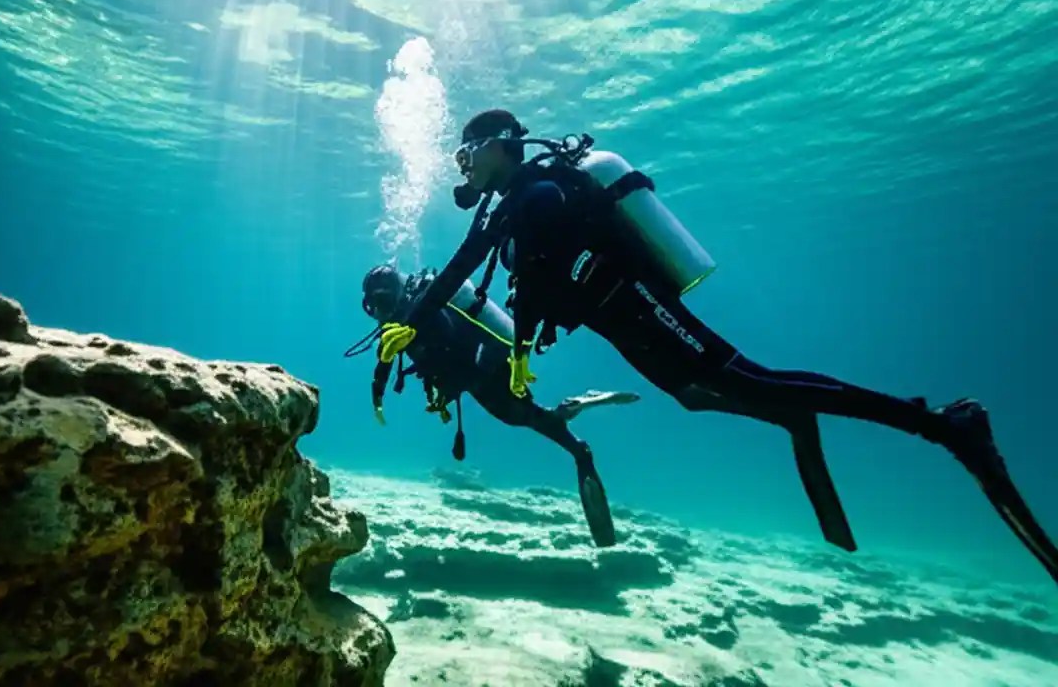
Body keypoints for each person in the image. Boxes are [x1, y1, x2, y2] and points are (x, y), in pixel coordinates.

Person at [373, 108, 1058, 585]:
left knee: (748, 379)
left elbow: (509, 273)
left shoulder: (537, 195)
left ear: (499, 144)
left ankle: (943, 424)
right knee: (701, 396)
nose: (463, 168)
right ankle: (802, 413)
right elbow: (496, 274)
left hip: (638, 309)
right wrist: (503, 341)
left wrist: (503, 332)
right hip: (624, 325)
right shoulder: (513, 206)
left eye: (468, 153)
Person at [345, 263, 641, 547]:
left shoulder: (421, 311)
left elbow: (446, 342)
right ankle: (576, 436)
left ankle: (576, 435)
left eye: (382, 300)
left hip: (488, 368)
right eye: (373, 305)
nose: (379, 311)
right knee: (527, 417)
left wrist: (441, 379)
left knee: (520, 416)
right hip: (482, 373)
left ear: (396, 292)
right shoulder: (407, 317)